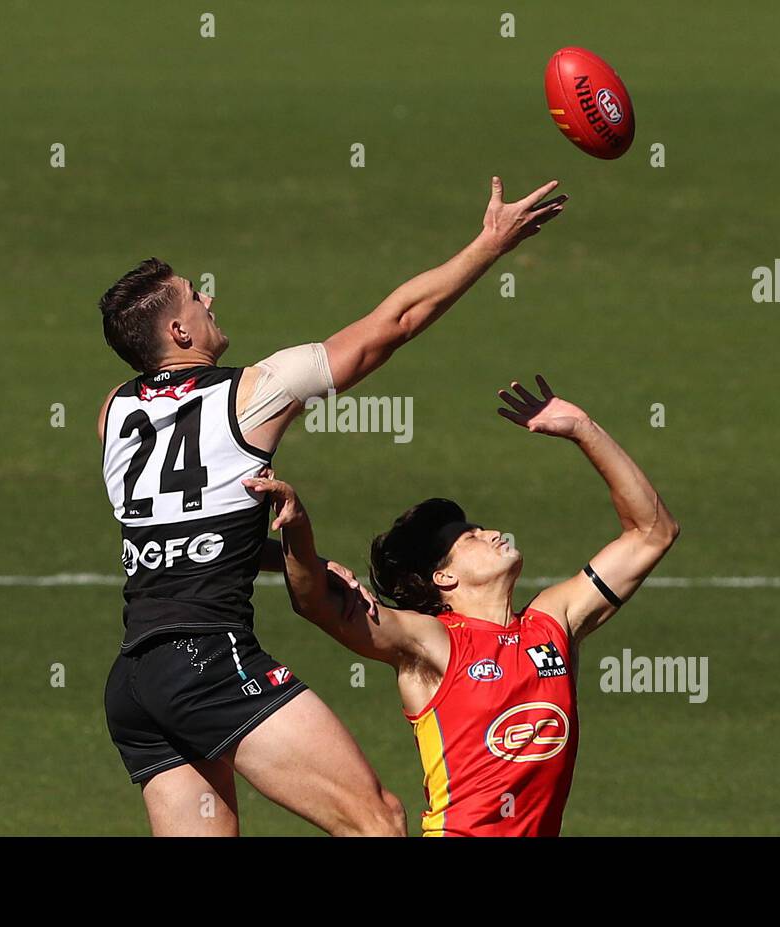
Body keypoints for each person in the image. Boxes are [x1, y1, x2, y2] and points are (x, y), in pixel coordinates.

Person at [96, 179, 567, 835]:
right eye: (196, 297)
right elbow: (394, 323)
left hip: (136, 681)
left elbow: (172, 532)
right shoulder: (256, 392)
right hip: (207, 657)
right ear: (179, 330)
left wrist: (289, 553)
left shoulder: (113, 412)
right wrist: (489, 244)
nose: (209, 299)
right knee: (375, 820)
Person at [245, 376, 680, 836]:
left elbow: (653, 531)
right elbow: (315, 603)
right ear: (443, 577)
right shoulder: (431, 642)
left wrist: (583, 429)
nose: (493, 534)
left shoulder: (553, 623)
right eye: (470, 537)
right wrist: (296, 529)